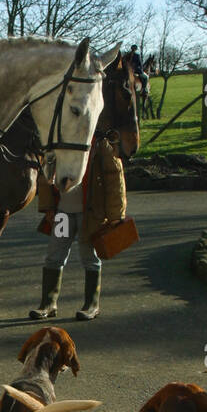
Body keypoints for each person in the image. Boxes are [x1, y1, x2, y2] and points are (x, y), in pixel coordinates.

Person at [30, 134, 126, 323]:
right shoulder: (59, 140)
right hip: (63, 214)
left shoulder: (100, 143)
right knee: (54, 255)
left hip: (89, 215)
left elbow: (115, 179)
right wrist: (48, 206)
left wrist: (116, 215)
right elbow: (46, 172)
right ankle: (48, 304)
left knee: (89, 257)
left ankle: (91, 305)